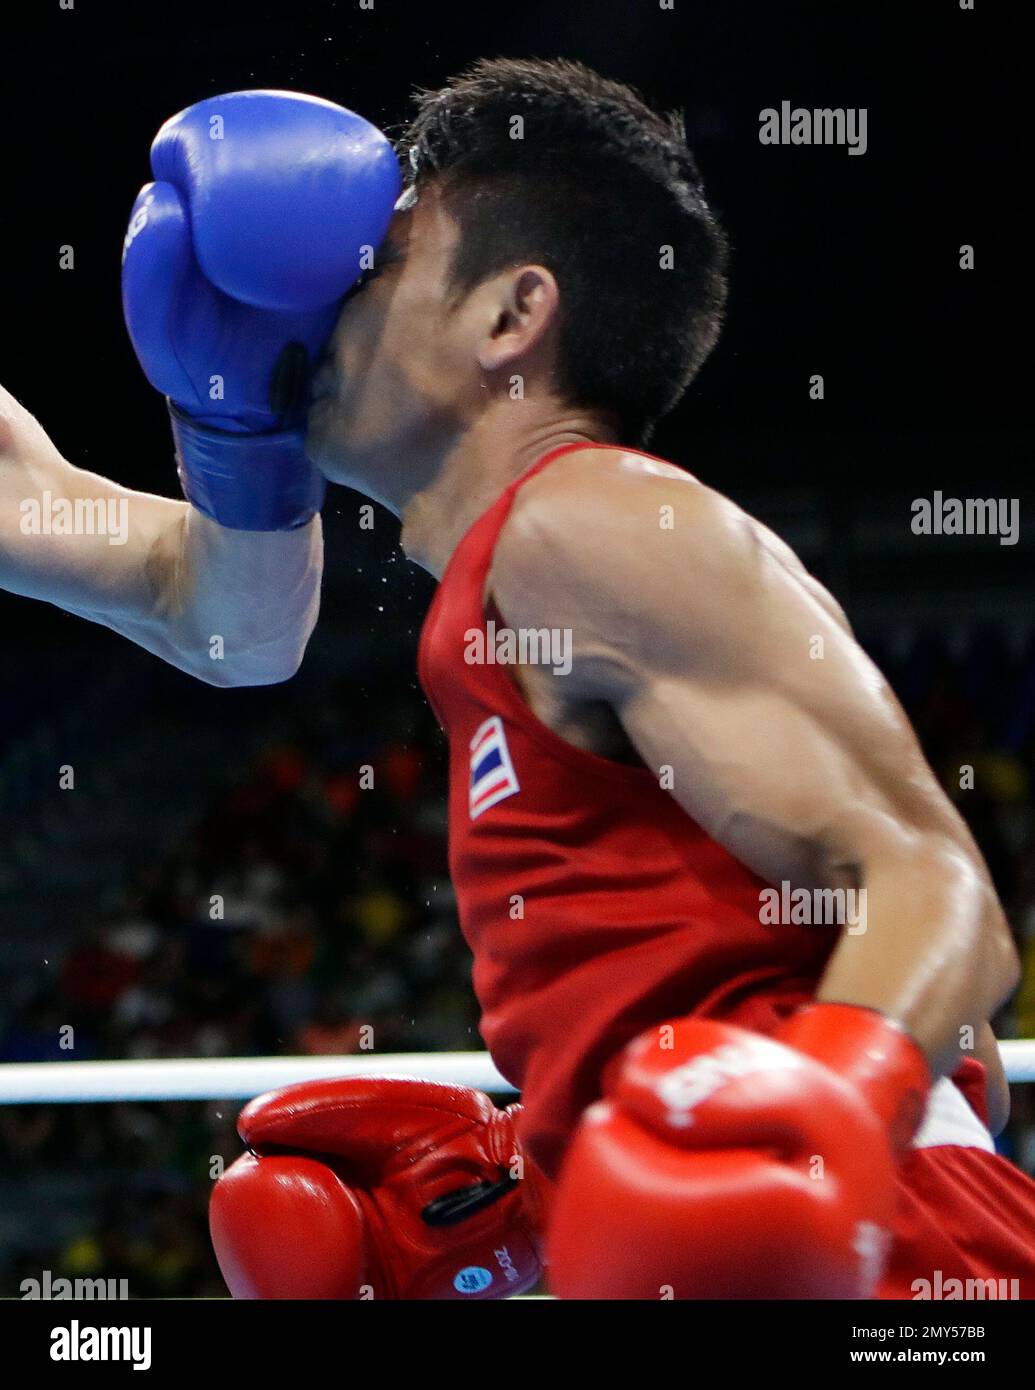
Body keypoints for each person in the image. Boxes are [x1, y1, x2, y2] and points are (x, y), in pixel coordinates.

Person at [3, 58, 1034, 1299]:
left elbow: (934, 885)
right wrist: (534, 1185)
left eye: (375, 269)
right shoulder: (511, 587)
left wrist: (820, 1113)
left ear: (508, 318)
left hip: (889, 1236)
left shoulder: (584, 521)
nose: (318, 307)